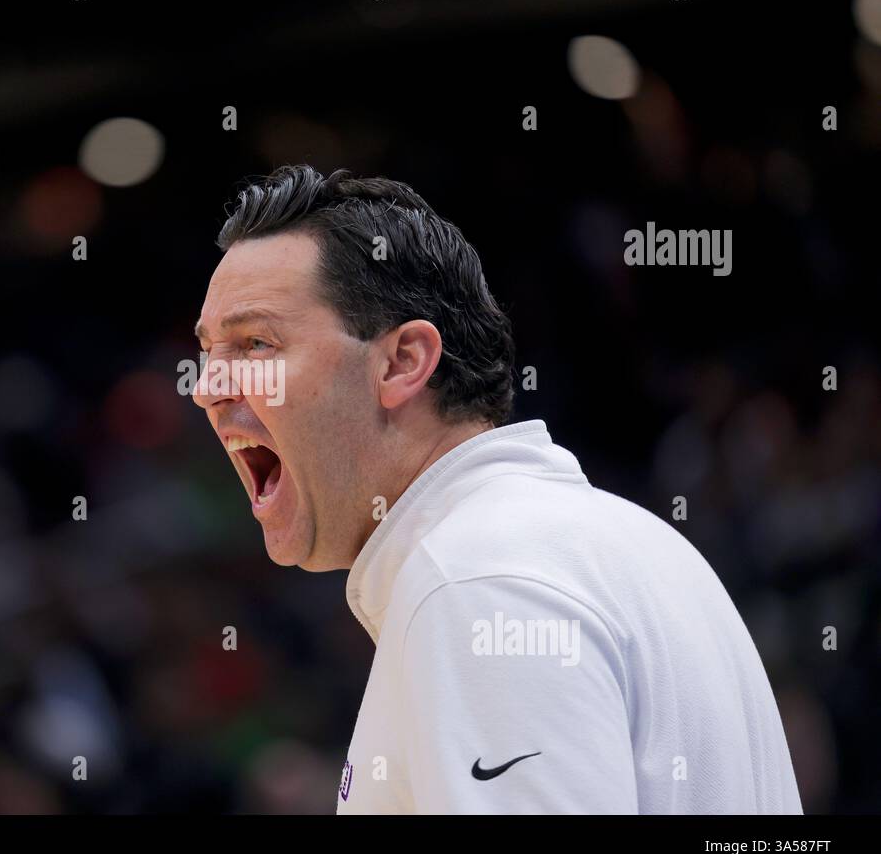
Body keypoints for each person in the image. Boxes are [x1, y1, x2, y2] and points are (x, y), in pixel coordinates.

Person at [191, 164, 802, 814]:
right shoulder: (621, 540)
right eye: (206, 355)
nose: (206, 388)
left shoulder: (476, 581)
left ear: (400, 362)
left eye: (254, 344)